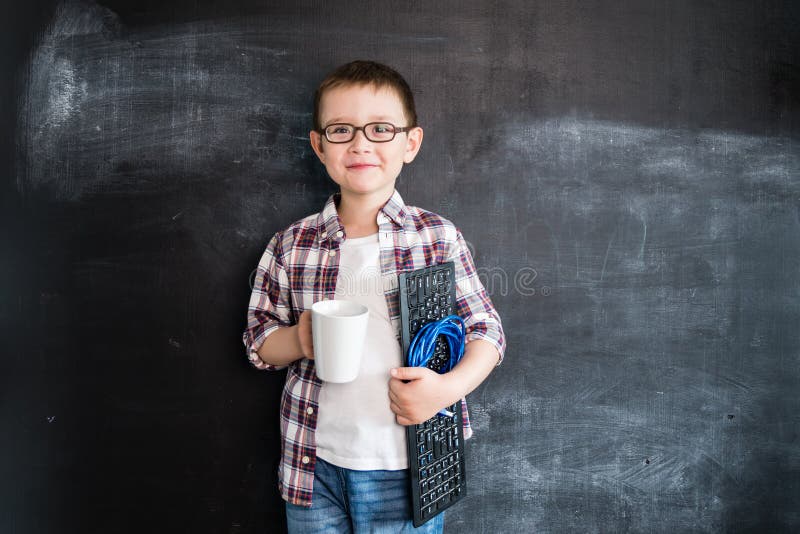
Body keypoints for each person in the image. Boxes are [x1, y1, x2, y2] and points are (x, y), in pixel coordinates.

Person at [242, 60, 506, 533]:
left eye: (380, 129)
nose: (361, 143)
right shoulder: (291, 244)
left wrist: (445, 391)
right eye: (341, 130)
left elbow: (487, 330)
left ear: (410, 143)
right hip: (312, 463)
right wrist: (300, 340)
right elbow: (259, 339)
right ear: (319, 146)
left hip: (409, 464)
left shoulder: (437, 237)